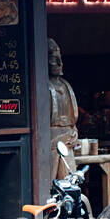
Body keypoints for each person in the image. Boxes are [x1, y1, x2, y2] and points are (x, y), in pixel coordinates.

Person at [47, 38, 80, 177]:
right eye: (54, 59)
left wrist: (74, 132)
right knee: (49, 183)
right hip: (51, 140)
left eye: (60, 59)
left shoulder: (66, 85)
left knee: (70, 180)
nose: (59, 63)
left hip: (67, 140)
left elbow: (73, 118)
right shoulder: (43, 87)